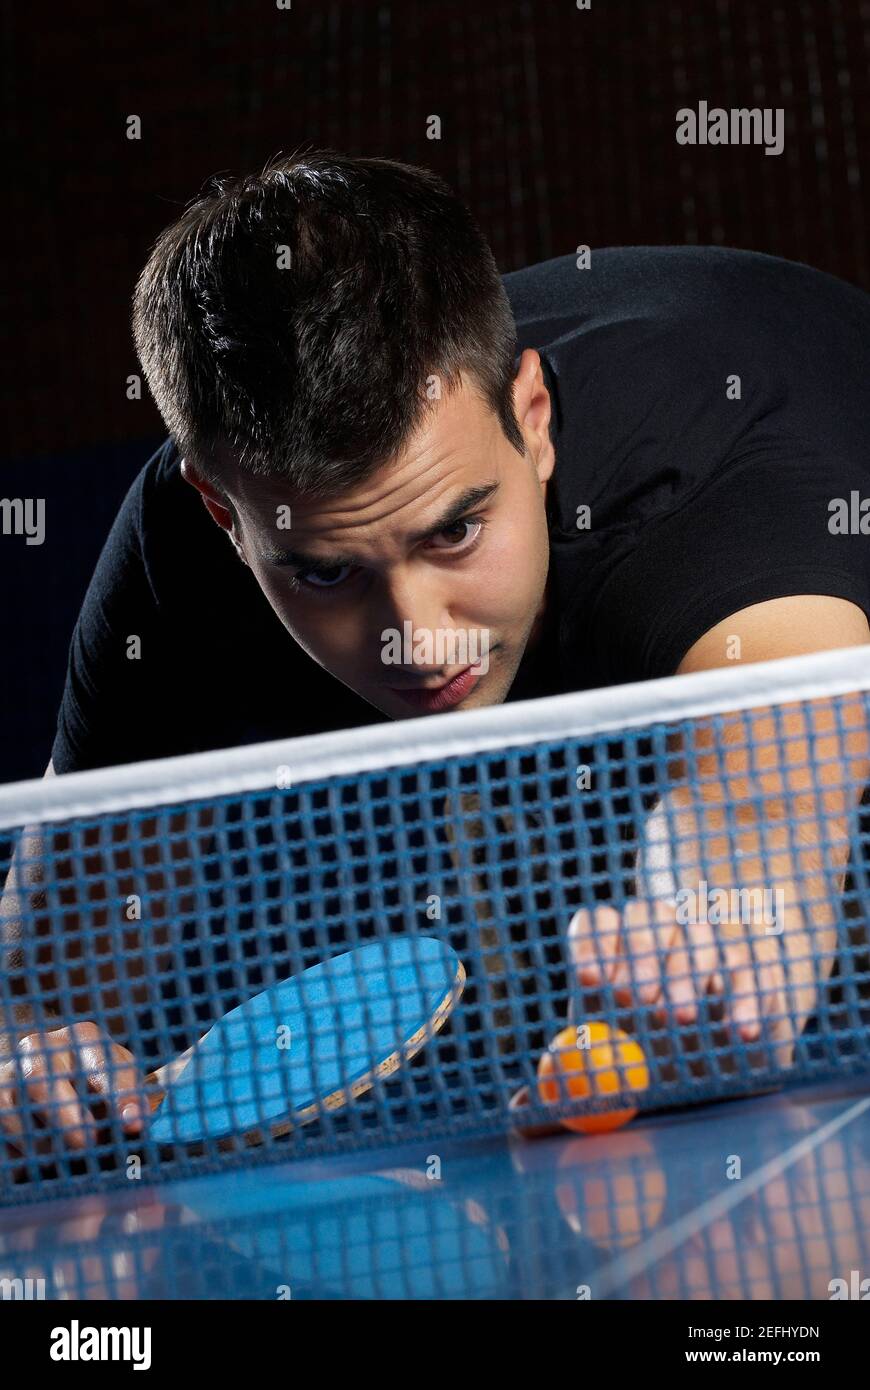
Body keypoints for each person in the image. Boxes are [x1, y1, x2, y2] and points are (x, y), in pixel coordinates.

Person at [3, 150, 870, 1153]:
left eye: (454, 531)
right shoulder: (178, 559)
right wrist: (26, 1054)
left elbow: (761, 805)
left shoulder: (717, 491)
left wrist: (736, 933)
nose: (419, 637)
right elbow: (42, 975)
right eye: (327, 572)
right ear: (221, 512)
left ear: (532, 419)